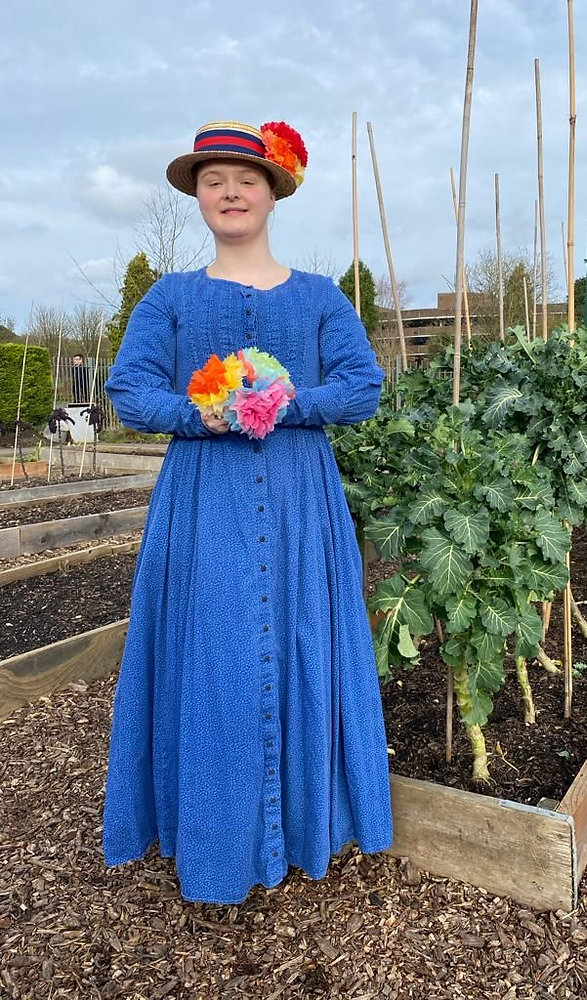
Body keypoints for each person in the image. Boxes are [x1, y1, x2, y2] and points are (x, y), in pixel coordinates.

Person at [102, 120, 393, 904]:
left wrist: (285, 401)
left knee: (300, 643)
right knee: (217, 658)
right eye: (213, 180)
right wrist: (203, 415)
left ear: (274, 191)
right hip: (204, 504)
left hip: (303, 503)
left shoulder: (321, 297)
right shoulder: (170, 297)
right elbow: (129, 390)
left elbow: (363, 386)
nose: (230, 192)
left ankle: (303, 826)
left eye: (246, 179)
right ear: (197, 196)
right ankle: (216, 836)